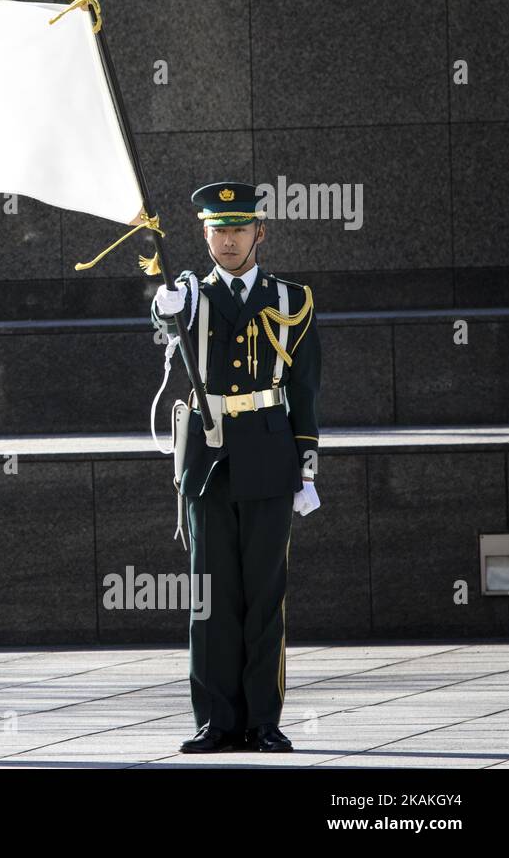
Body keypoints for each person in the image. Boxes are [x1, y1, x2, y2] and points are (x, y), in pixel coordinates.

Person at [151, 181, 321, 754]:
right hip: (208, 457)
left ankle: (263, 721)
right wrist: (163, 310)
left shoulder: (291, 300)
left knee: (264, 597)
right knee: (210, 596)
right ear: (204, 234)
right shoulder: (189, 296)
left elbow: (306, 390)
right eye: (218, 229)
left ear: (260, 232)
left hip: (270, 455)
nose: (228, 239)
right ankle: (216, 720)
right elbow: (164, 318)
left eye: (239, 227)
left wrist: (308, 470)